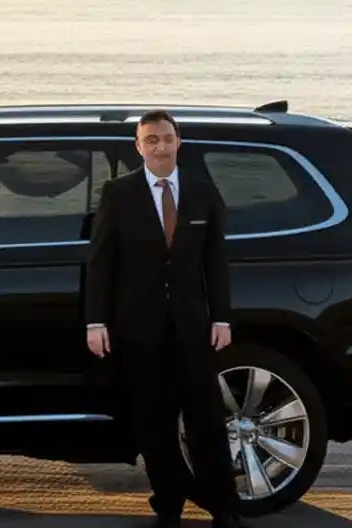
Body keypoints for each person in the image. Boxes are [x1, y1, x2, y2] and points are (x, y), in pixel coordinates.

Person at [85, 109, 243, 528]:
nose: (160, 146)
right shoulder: (118, 193)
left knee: (206, 421)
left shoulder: (202, 192)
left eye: (167, 138)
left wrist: (222, 318)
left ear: (179, 142)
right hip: (138, 329)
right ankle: (169, 501)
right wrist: (95, 321)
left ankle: (223, 506)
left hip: (194, 328)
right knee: (152, 423)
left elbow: (216, 262)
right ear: (138, 147)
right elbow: (100, 261)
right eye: (150, 139)